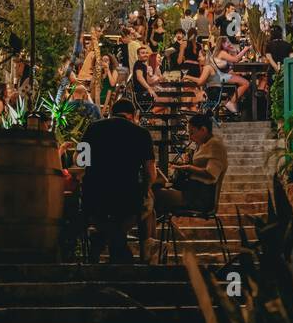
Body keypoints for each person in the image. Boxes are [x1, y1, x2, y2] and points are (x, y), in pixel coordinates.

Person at [80, 98, 156, 263]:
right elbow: (151, 173)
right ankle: (142, 252)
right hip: (128, 200)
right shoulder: (142, 133)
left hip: (94, 198)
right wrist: (145, 188)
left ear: (111, 113)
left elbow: (80, 160)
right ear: (133, 115)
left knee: (102, 215)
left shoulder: (93, 128)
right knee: (149, 203)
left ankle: (102, 236)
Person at [153, 113, 228, 216]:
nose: (190, 137)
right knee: (154, 194)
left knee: (154, 195)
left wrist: (188, 168)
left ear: (203, 130)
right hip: (192, 192)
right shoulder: (202, 145)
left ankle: (149, 230)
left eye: (192, 132)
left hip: (200, 198)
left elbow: (211, 173)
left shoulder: (215, 145)